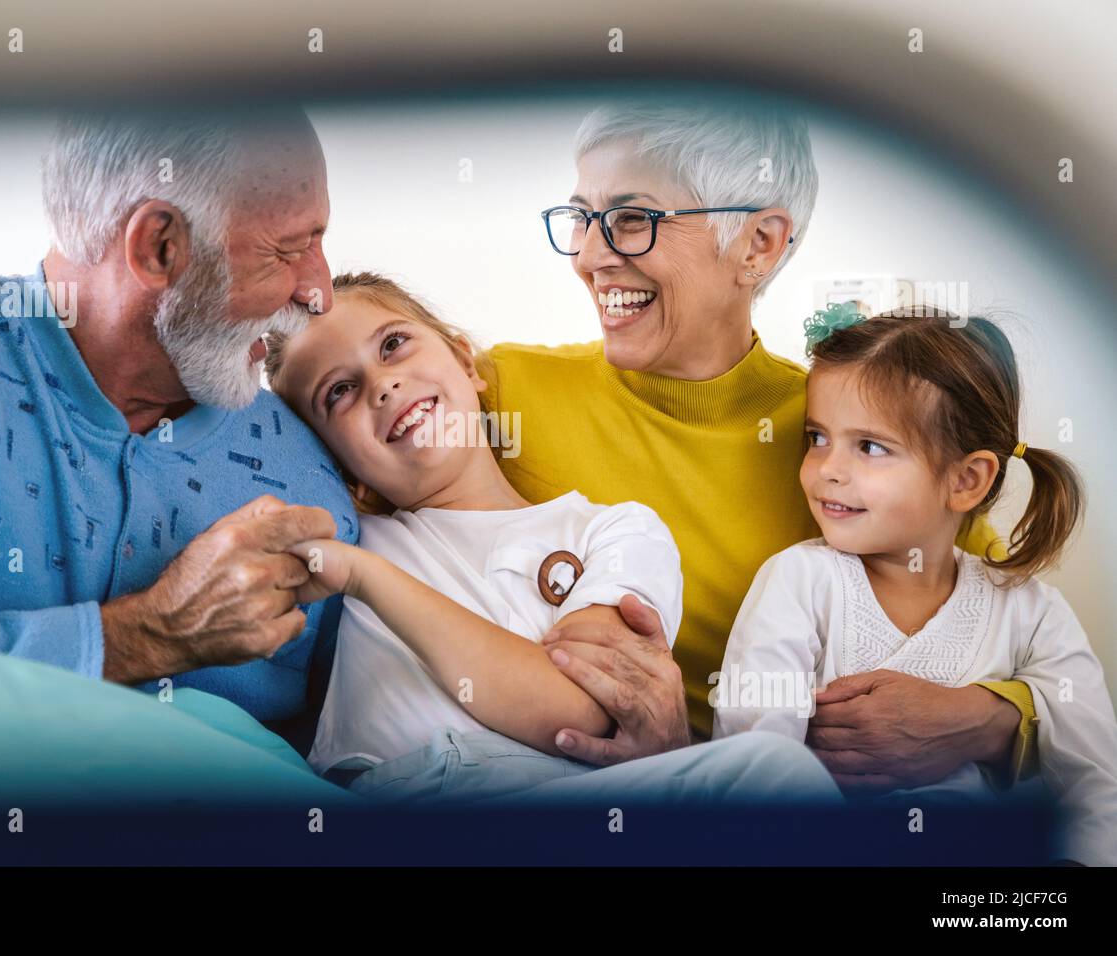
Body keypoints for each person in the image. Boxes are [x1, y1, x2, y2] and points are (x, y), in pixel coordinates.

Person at [477, 98, 1039, 790]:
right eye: (583, 219)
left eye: (631, 219)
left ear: (759, 245)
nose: (591, 258)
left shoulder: (851, 437)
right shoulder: (503, 392)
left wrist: (989, 717)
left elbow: (1005, 618)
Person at [0, 106, 354, 729]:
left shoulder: (314, 483)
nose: (319, 291)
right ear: (159, 247)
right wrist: (147, 634)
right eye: (288, 251)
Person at [264, 271, 839, 804]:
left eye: (393, 344)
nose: (382, 385)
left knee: (777, 771)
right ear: (338, 469)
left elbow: (583, 710)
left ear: (466, 361)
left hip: (563, 798)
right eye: (338, 392)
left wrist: (367, 579)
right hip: (409, 801)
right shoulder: (356, 541)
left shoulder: (614, 532)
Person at [712, 305, 1117, 865]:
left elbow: (1096, 786)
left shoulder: (1031, 610)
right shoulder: (800, 580)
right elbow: (754, 757)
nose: (826, 467)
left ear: (966, 480)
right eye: (817, 437)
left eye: (870, 447)